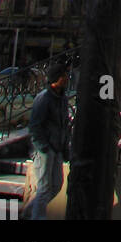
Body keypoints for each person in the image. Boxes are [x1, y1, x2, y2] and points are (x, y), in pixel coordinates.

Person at [22, 62, 70, 221]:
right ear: (57, 78)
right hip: (44, 149)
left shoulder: (62, 99)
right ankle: (37, 216)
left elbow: (64, 124)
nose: (67, 78)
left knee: (56, 185)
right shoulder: (44, 98)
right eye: (64, 75)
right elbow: (35, 126)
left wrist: (63, 147)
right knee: (44, 187)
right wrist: (44, 147)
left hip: (56, 148)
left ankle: (29, 211)